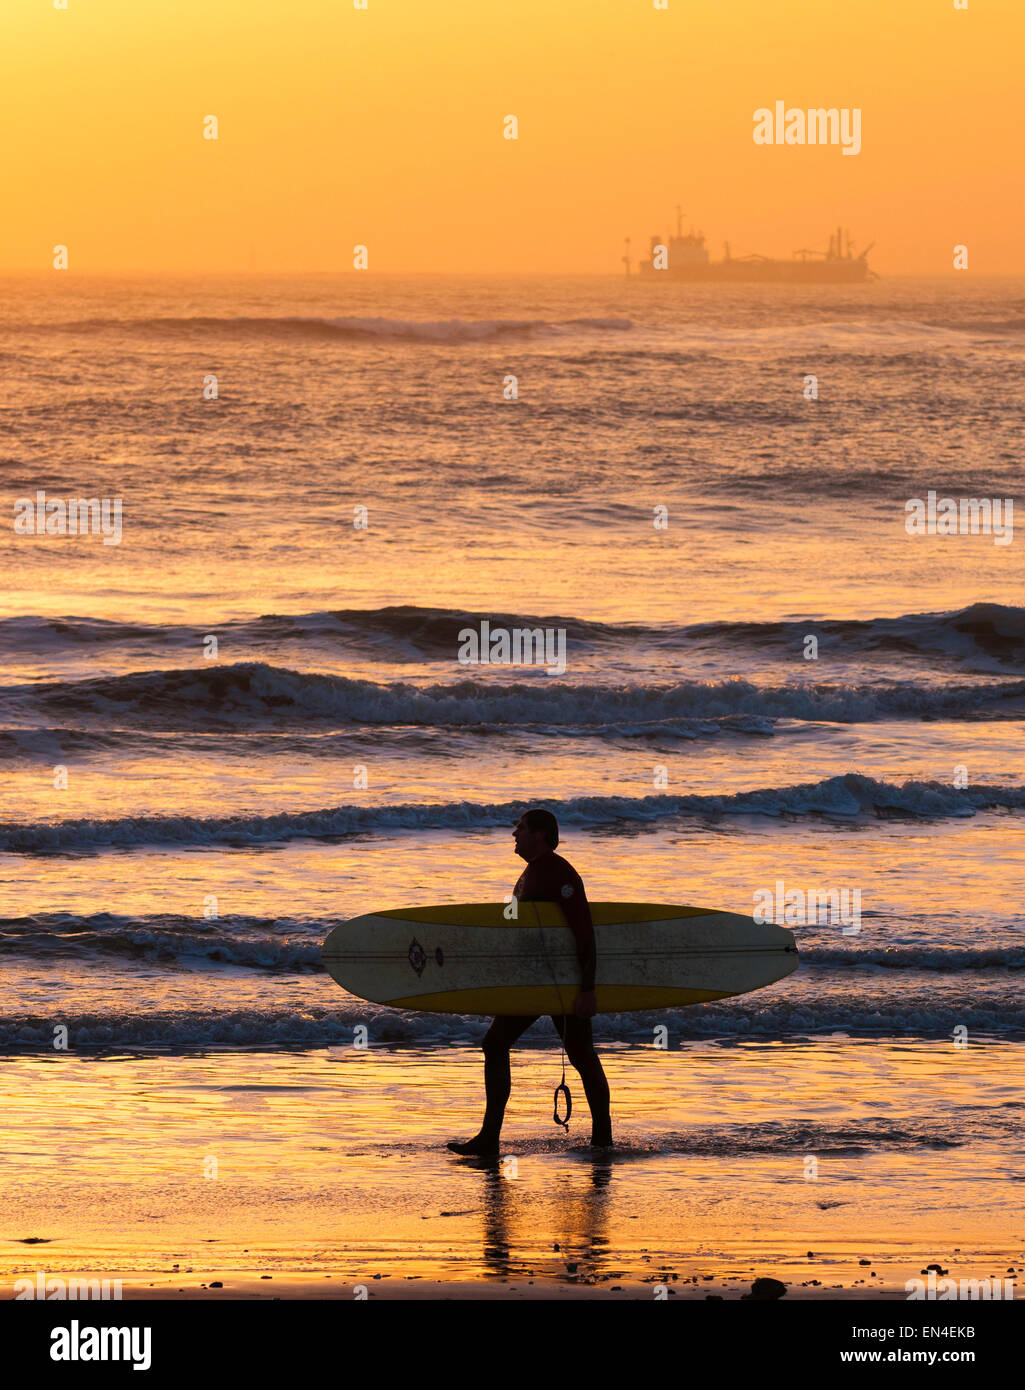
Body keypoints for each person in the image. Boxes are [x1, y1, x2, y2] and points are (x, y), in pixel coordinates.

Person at [447, 808, 613, 1155]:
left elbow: (584, 930)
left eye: (520, 828)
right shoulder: (533, 872)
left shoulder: (555, 871)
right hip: (537, 982)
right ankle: (598, 1140)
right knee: (508, 1046)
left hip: (560, 984)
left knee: (570, 1054)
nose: (514, 835)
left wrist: (586, 989)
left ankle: (599, 1140)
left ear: (539, 834)